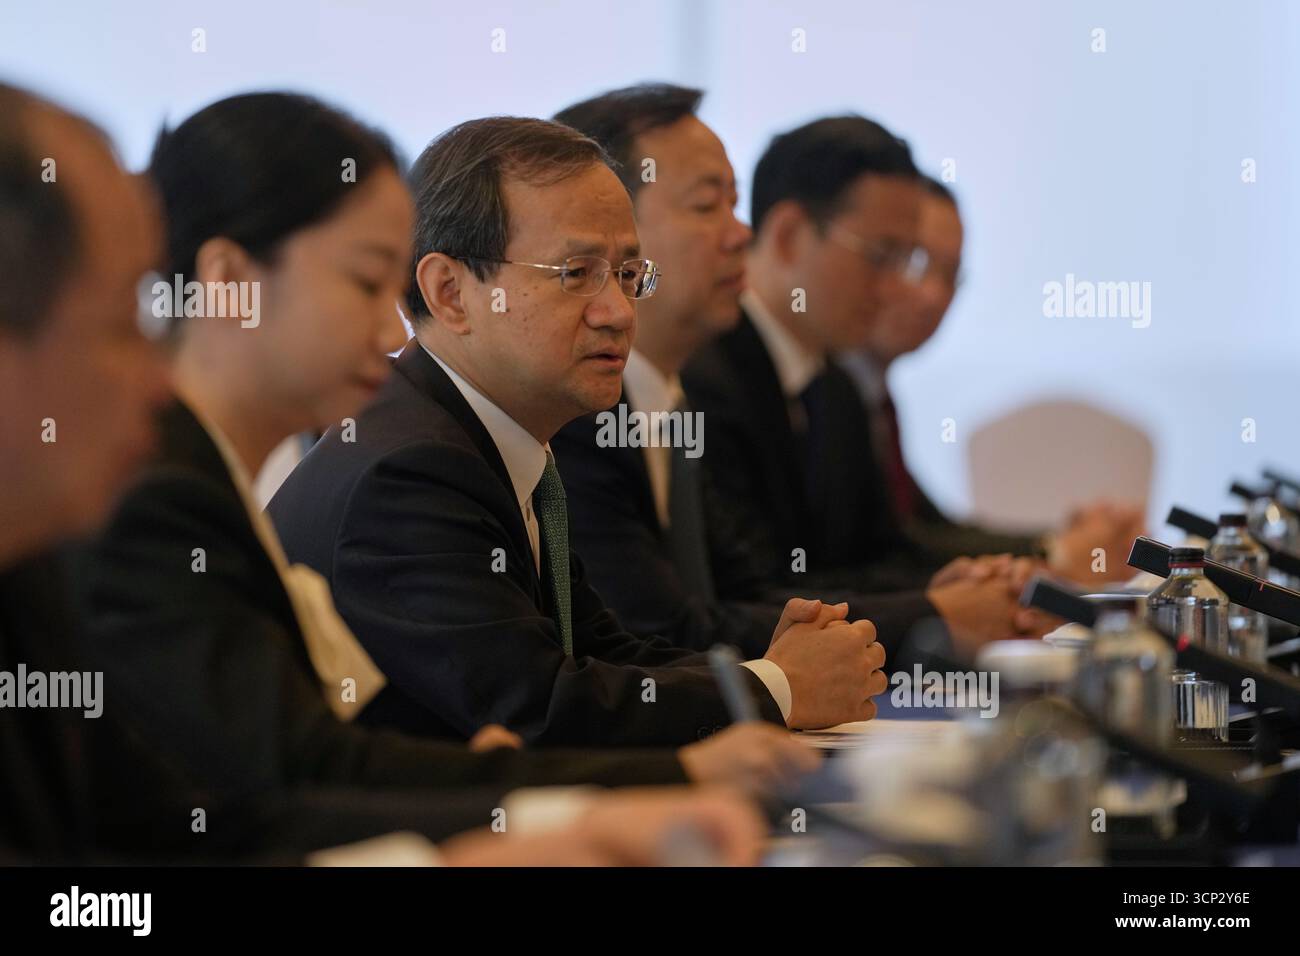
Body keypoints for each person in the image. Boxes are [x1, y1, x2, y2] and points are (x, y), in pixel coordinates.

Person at [0, 84, 775, 866]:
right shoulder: (170, 501)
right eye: (118, 322)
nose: (391, 328)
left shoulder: (131, 511)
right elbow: (261, 802)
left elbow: (225, 815)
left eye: (628, 273)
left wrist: (519, 810)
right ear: (230, 277)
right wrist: (529, 816)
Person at [269, 115, 888, 745]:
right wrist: (774, 689)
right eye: (576, 274)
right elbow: (538, 710)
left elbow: (601, 655)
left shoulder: (490, 435)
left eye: (626, 275)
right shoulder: (409, 470)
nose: (619, 313)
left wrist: (773, 673)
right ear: (451, 292)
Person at [551, 84, 1041, 661]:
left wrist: (939, 598)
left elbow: (752, 590)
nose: (740, 233)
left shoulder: (673, 397)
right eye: (708, 206)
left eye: (735, 206)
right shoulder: (585, 412)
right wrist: (928, 612)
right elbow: (655, 634)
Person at [839, 175, 1145, 577]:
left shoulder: (872, 396)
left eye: (950, 275)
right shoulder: (826, 392)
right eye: (915, 262)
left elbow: (927, 531)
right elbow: (884, 558)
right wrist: (1055, 553)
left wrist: (1057, 542)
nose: (934, 295)